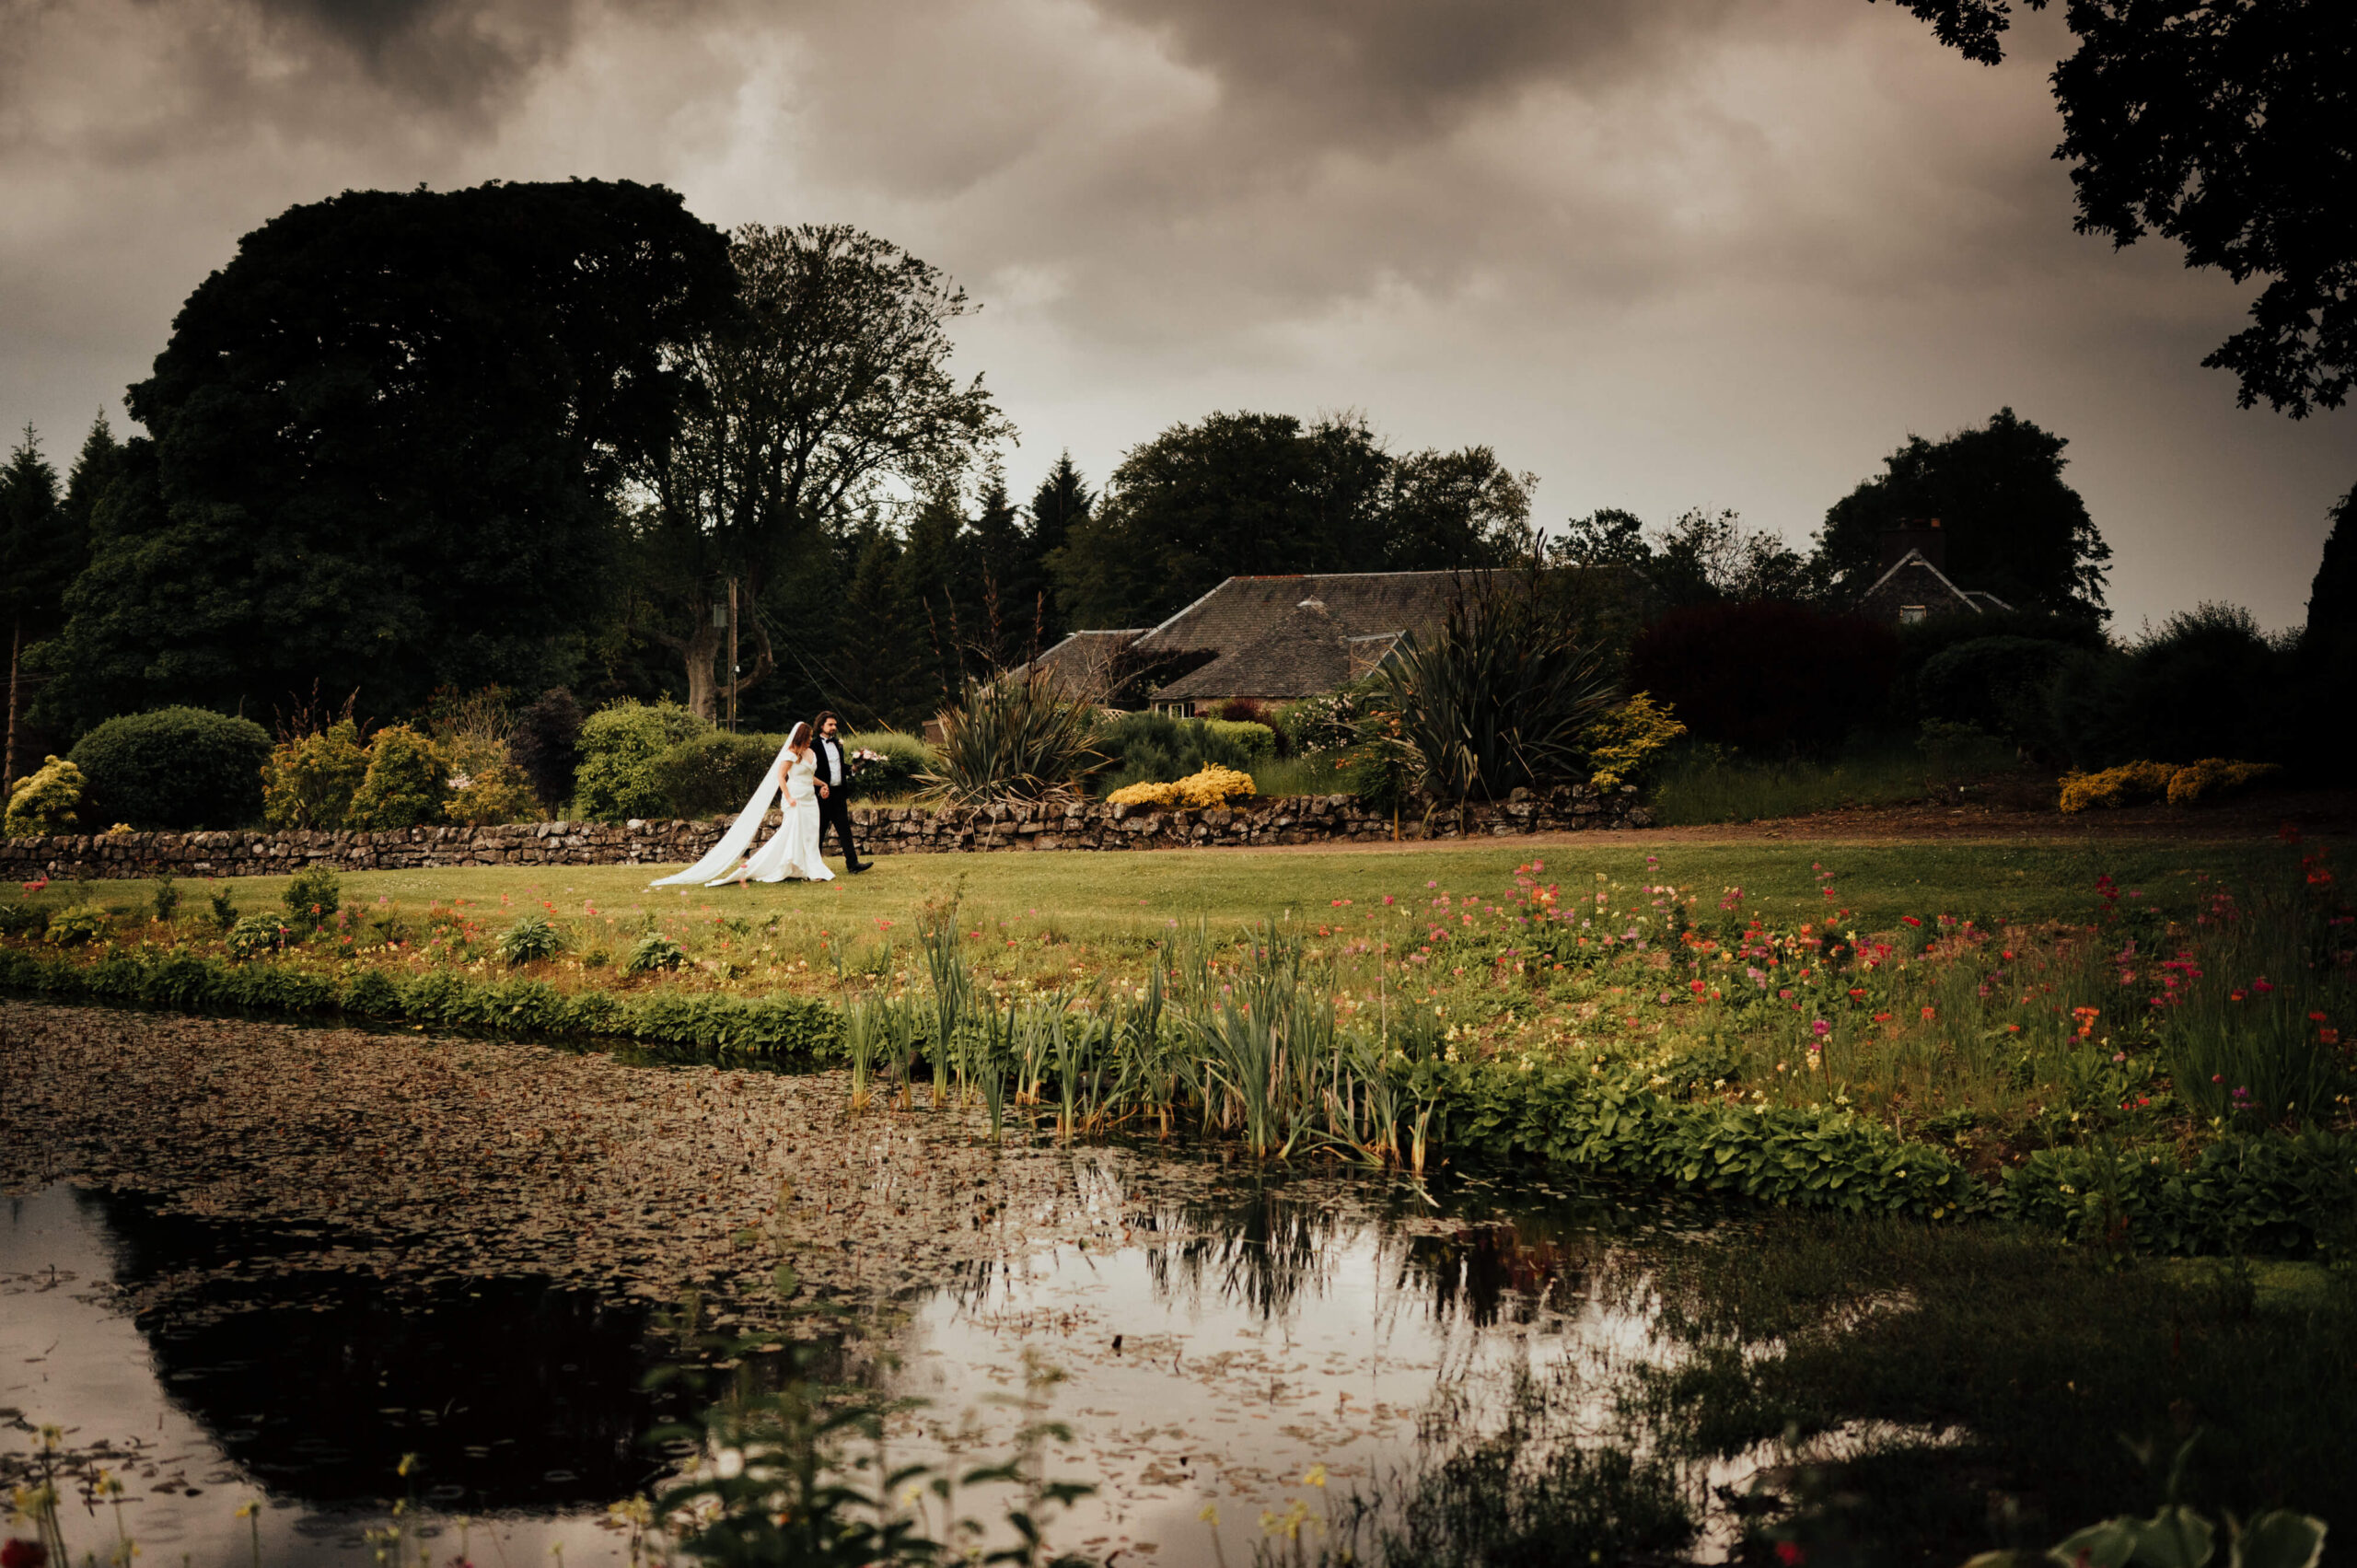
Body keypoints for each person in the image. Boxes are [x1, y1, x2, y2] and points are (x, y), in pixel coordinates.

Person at [723, 722, 832, 885]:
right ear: (801, 736)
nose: (810, 739)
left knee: (811, 834)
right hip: (795, 798)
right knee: (792, 832)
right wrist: (788, 797)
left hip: (810, 798)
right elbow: (781, 777)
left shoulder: (811, 753)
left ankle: (814, 868)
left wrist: (823, 784)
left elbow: (809, 776)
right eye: (808, 737)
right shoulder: (790, 754)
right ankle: (784, 864)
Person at [808, 711, 869, 875]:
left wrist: (855, 768)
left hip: (839, 793)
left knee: (845, 831)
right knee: (819, 832)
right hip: (822, 795)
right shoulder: (813, 746)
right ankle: (814, 865)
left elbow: (840, 766)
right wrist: (819, 788)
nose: (834, 727)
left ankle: (853, 864)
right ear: (821, 726)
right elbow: (809, 771)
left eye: (835, 724)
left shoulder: (838, 744)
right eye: (830, 724)